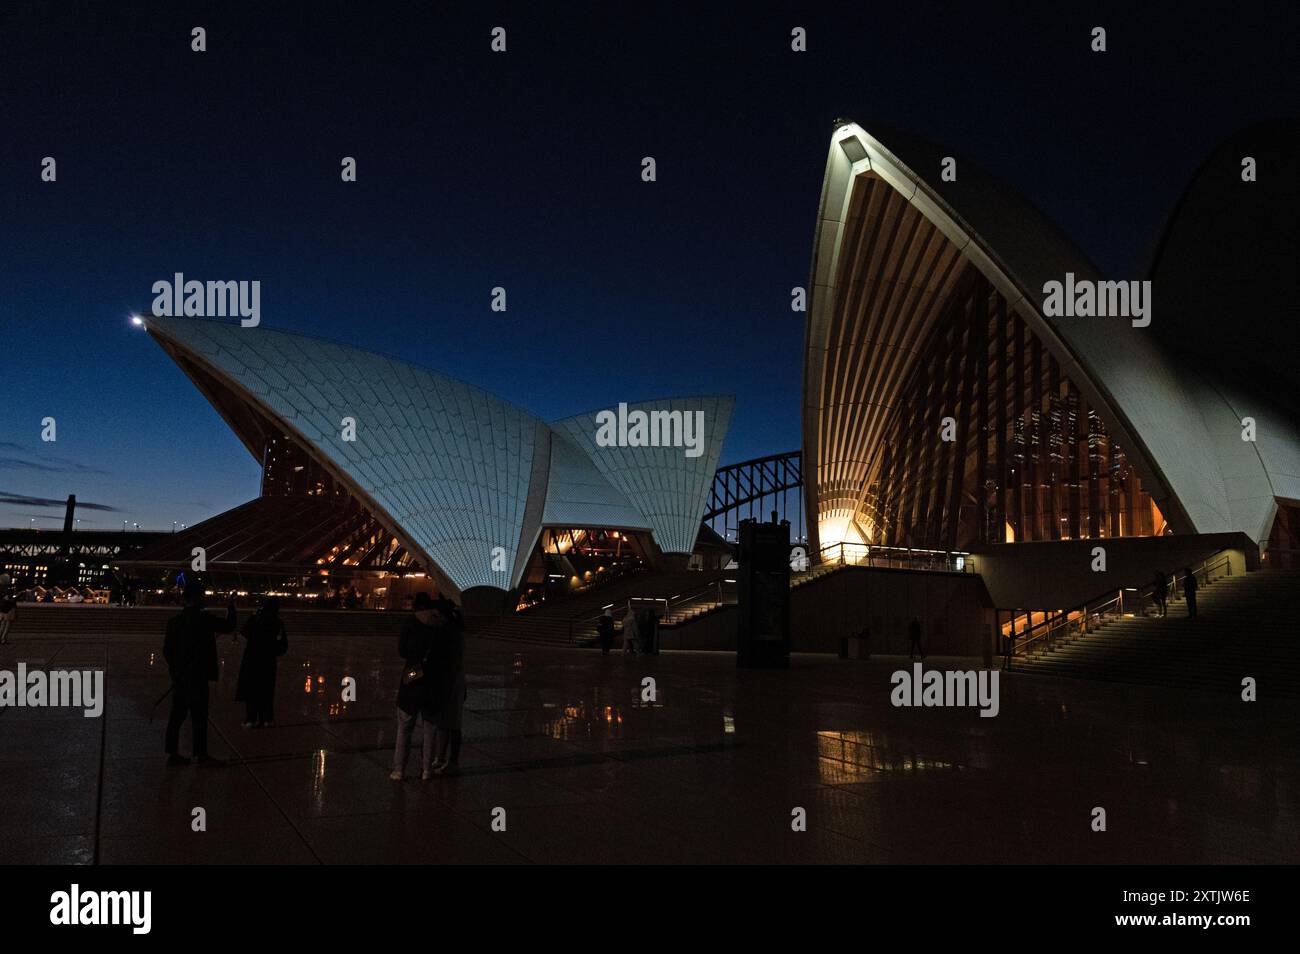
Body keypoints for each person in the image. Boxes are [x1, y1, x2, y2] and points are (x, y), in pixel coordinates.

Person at [163, 582, 237, 766]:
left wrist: (176, 671)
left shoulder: (174, 622)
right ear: (197, 598)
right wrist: (231, 606)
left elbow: (167, 651)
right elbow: (229, 626)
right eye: (202, 595)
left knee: (177, 716)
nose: (204, 598)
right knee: (199, 717)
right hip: (198, 676)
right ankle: (201, 755)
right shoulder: (204, 619)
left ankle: (172, 753)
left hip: (180, 678)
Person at [391, 592, 442, 781]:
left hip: (412, 678)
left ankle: (399, 769)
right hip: (434, 680)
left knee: (404, 727)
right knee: (430, 729)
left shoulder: (410, 622)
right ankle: (427, 769)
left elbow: (402, 651)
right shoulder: (439, 624)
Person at [235, 597, 288, 727]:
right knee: (267, 690)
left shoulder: (256, 619)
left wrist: (253, 616)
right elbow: (283, 644)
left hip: (252, 659)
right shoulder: (278, 623)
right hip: (268, 660)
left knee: (252, 689)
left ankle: (251, 719)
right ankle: (266, 718)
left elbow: (244, 631)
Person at [430, 591, 466, 776]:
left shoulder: (449, 633)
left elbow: (447, 661)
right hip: (454, 682)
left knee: (450, 723)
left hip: (450, 682)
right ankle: (442, 758)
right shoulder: (454, 632)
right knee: (447, 723)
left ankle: (450, 760)